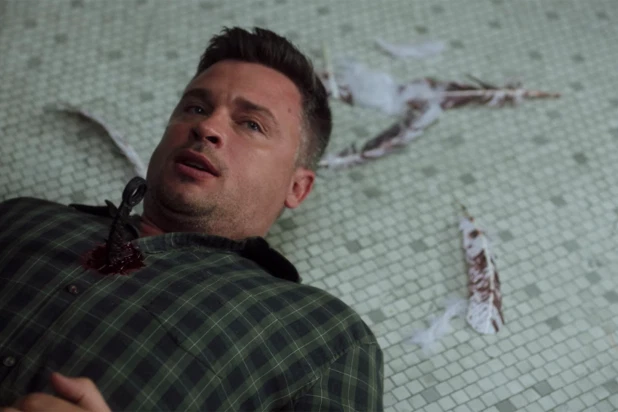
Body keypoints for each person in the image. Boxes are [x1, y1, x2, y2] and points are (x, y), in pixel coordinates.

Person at [0, 27, 384, 411]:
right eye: (196, 108)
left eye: (251, 124)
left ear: (297, 187)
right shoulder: (22, 217)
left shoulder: (322, 335)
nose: (207, 127)